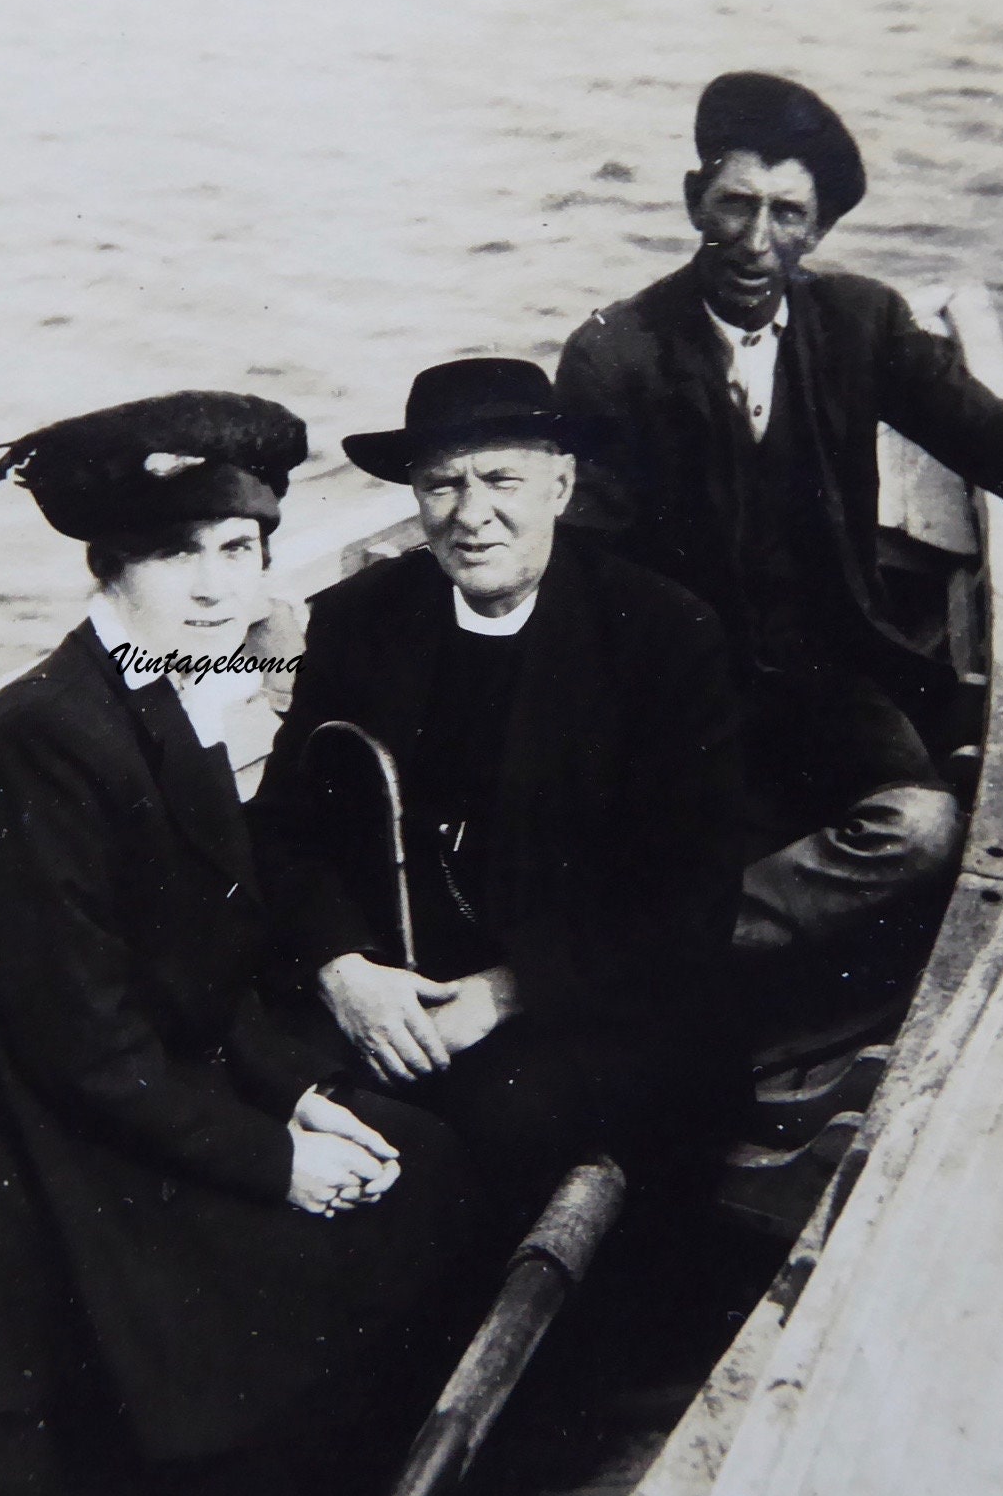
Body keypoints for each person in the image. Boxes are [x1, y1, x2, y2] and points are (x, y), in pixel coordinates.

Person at [0, 391, 475, 1496]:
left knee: (426, 1166)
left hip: (110, 1105)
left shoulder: (164, 698)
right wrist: (276, 1160)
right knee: (332, 1250)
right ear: (110, 563)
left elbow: (203, 974)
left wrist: (301, 1100)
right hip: (24, 1162)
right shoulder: (49, 741)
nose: (217, 585)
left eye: (239, 551)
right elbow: (85, 1051)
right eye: (178, 554)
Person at [553, 70, 1003, 974]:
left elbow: (1000, 438)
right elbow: (586, 563)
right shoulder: (613, 350)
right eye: (734, 204)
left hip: (830, 676)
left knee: (922, 830)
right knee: (625, 839)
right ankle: (685, 941)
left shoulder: (862, 323)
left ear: (818, 229)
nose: (755, 239)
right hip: (677, 689)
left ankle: (675, 948)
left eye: (787, 213)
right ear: (693, 202)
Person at [250, 358, 746, 1220]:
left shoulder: (664, 634)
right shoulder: (361, 618)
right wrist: (343, 968)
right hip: (391, 994)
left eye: (501, 479)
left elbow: (688, 898)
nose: (471, 514)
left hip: (587, 1003)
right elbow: (286, 833)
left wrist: (501, 993)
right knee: (246, 1069)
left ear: (561, 482)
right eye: (442, 484)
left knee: (500, 1131)